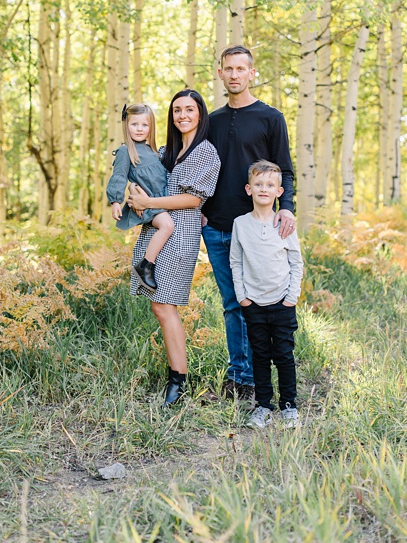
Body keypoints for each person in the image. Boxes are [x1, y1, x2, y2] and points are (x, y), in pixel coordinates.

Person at [203, 45, 298, 402]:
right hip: (216, 226)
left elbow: (284, 169)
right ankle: (240, 377)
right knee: (233, 302)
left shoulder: (270, 118)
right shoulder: (210, 121)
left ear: (251, 73)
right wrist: (198, 207)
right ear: (220, 74)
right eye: (228, 69)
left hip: (261, 227)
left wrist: (286, 208)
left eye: (241, 69)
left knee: (265, 302)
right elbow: (198, 168)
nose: (234, 74)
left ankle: (274, 374)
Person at [123, 90, 221, 405]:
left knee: (166, 305)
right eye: (177, 110)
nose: (182, 116)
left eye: (189, 110)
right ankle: (175, 377)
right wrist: (129, 191)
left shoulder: (205, 153)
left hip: (180, 231)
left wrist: (149, 201)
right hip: (157, 228)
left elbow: (194, 199)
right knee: (159, 305)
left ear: (200, 113)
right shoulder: (168, 150)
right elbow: (143, 173)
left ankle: (178, 382)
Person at [232, 160, 306, 430]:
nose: (264, 189)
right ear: (248, 188)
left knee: (284, 355)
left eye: (270, 185)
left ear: (279, 191)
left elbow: (296, 262)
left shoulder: (284, 223)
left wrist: (291, 297)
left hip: (282, 303)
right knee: (260, 356)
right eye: (259, 184)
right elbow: (236, 262)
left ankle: (289, 406)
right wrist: (242, 297)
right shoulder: (240, 224)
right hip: (253, 303)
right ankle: (263, 406)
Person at [107, 103, 174, 291]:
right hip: (148, 204)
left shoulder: (153, 151)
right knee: (167, 226)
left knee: (168, 226)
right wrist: (115, 201)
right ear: (126, 126)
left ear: (151, 128)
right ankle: (145, 265)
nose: (139, 129)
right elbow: (119, 175)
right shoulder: (125, 151)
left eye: (144, 125)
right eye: (134, 124)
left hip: (161, 200)